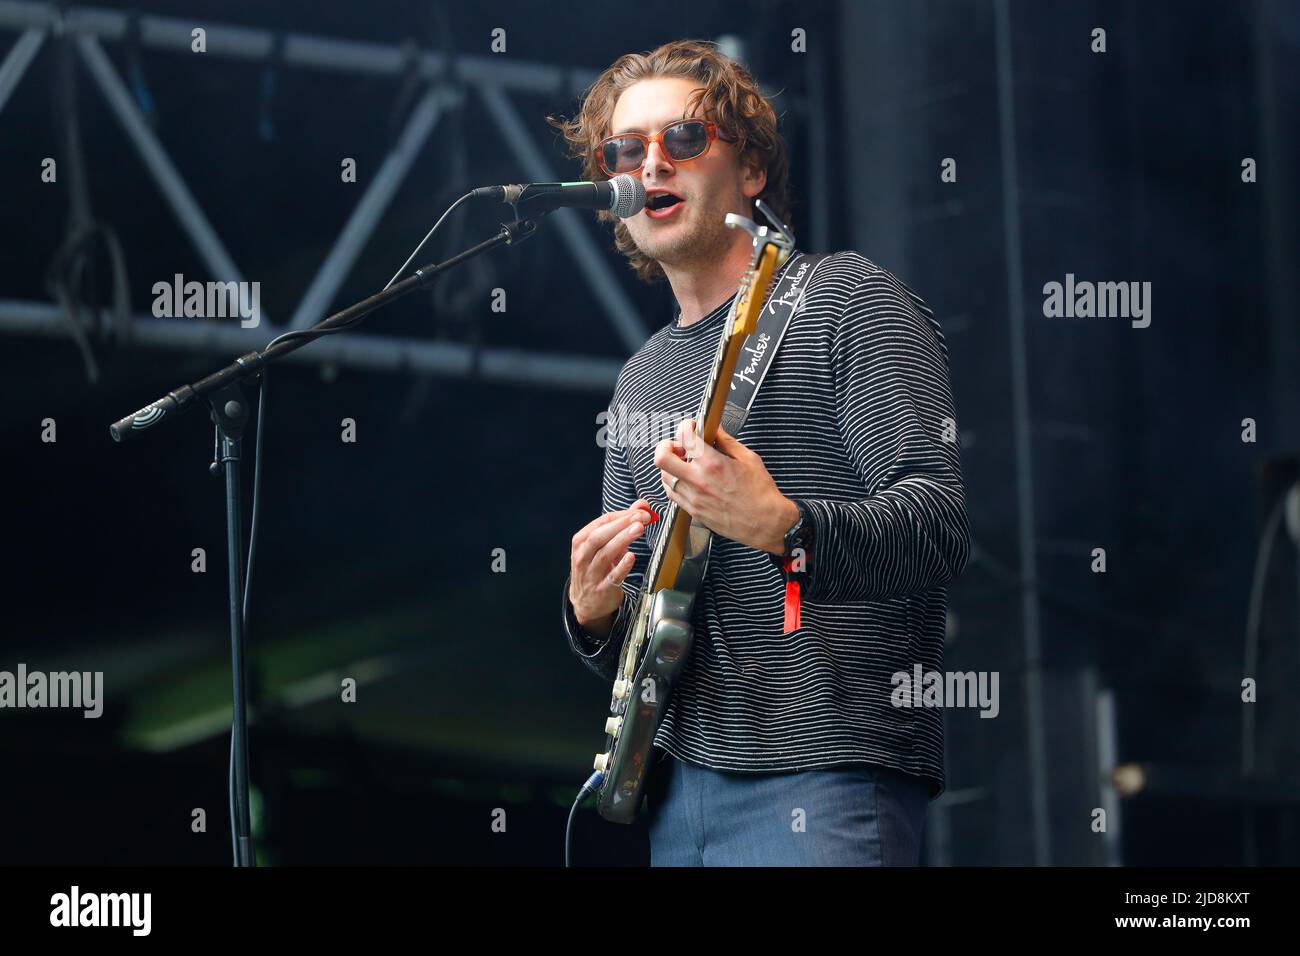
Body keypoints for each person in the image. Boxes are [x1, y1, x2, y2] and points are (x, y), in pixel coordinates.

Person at [550, 39, 969, 866]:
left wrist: (784, 526)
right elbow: (657, 630)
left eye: (684, 139)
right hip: (678, 792)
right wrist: (592, 616)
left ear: (750, 171)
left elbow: (940, 527)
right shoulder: (639, 381)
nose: (651, 164)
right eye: (625, 152)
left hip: (830, 773)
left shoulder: (845, 298)